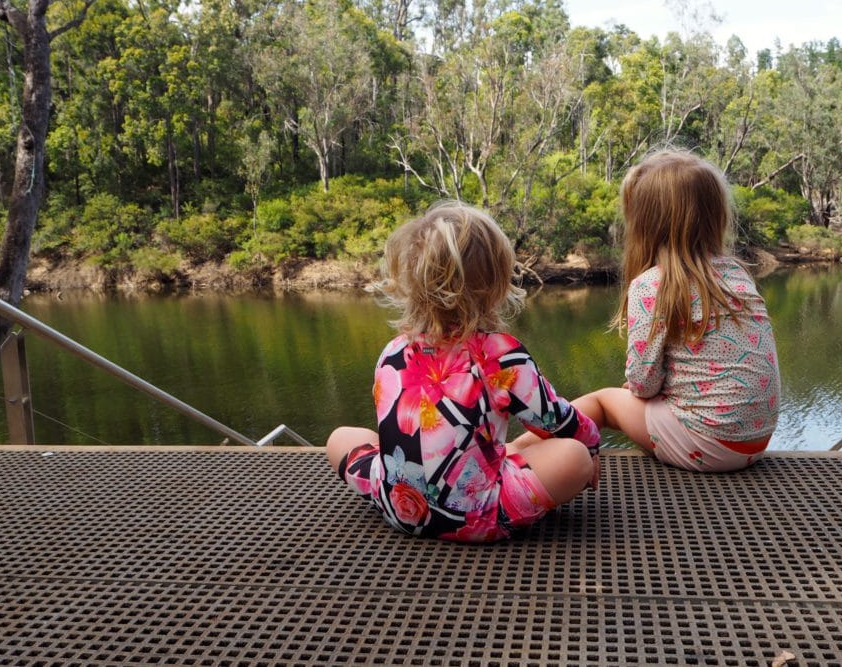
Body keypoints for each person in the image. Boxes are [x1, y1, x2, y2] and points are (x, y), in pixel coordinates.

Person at [326, 202, 600, 542]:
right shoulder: (499, 355)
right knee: (573, 458)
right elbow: (554, 419)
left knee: (340, 438)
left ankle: (417, 494)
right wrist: (591, 444)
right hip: (475, 514)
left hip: (398, 506)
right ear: (496, 285)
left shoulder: (393, 351)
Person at [514, 150, 780, 472]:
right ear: (715, 217)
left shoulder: (653, 285)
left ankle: (511, 452)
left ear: (644, 226)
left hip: (706, 445)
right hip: (755, 442)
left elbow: (643, 383)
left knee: (601, 401)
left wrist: (639, 389)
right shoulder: (738, 275)